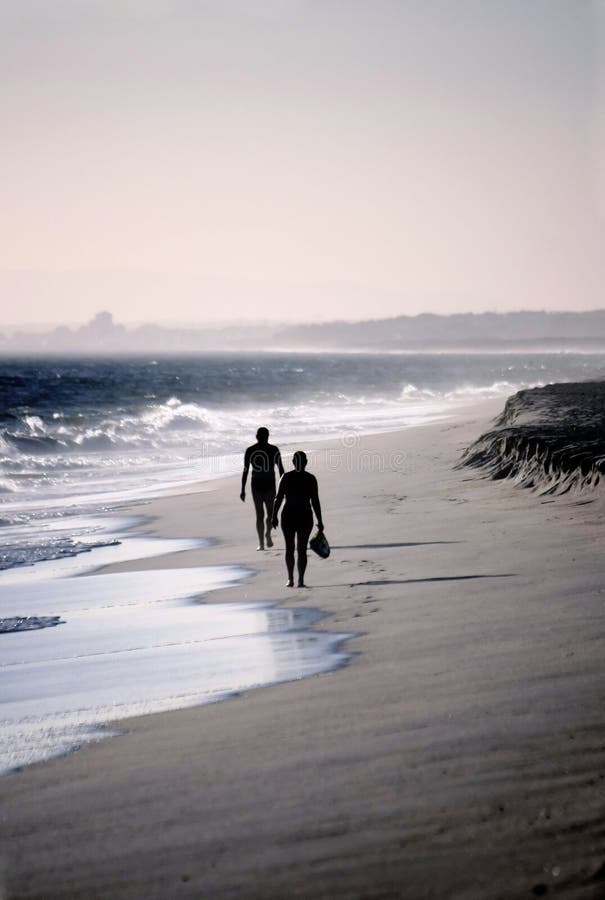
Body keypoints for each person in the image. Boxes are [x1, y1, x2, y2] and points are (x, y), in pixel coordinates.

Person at [271, 450, 324, 588]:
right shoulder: (310, 479)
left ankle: (291, 579)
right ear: (306, 462)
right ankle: (300, 580)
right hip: (304, 516)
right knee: (301, 549)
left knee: (290, 548)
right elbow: (315, 501)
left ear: (293, 462)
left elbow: (278, 498)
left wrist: (274, 516)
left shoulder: (286, 477)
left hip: (289, 516)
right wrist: (320, 520)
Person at [241, 427, 284, 550]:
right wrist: (284, 487)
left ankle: (263, 540)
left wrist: (243, 490)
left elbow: (245, 470)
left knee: (262, 514)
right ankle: (263, 539)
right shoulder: (273, 449)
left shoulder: (251, 450)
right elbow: (281, 470)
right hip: (265, 485)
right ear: (267, 436)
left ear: (256, 436)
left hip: (260, 485)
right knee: (267, 514)